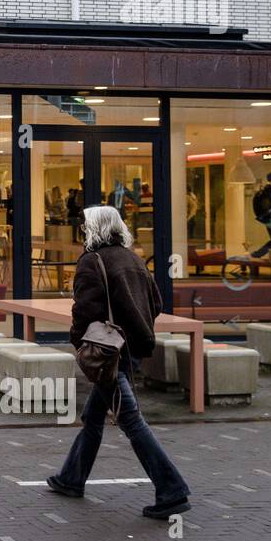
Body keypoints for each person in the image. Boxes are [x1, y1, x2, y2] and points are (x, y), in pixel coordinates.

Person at [47, 205, 192, 520]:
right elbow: (155, 303)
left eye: (86, 226)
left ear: (95, 229)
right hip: (129, 349)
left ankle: (172, 490)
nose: (83, 231)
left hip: (107, 354)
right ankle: (71, 478)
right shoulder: (133, 258)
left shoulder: (92, 262)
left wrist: (80, 342)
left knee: (131, 421)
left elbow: (84, 311)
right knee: (94, 417)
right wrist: (136, 332)